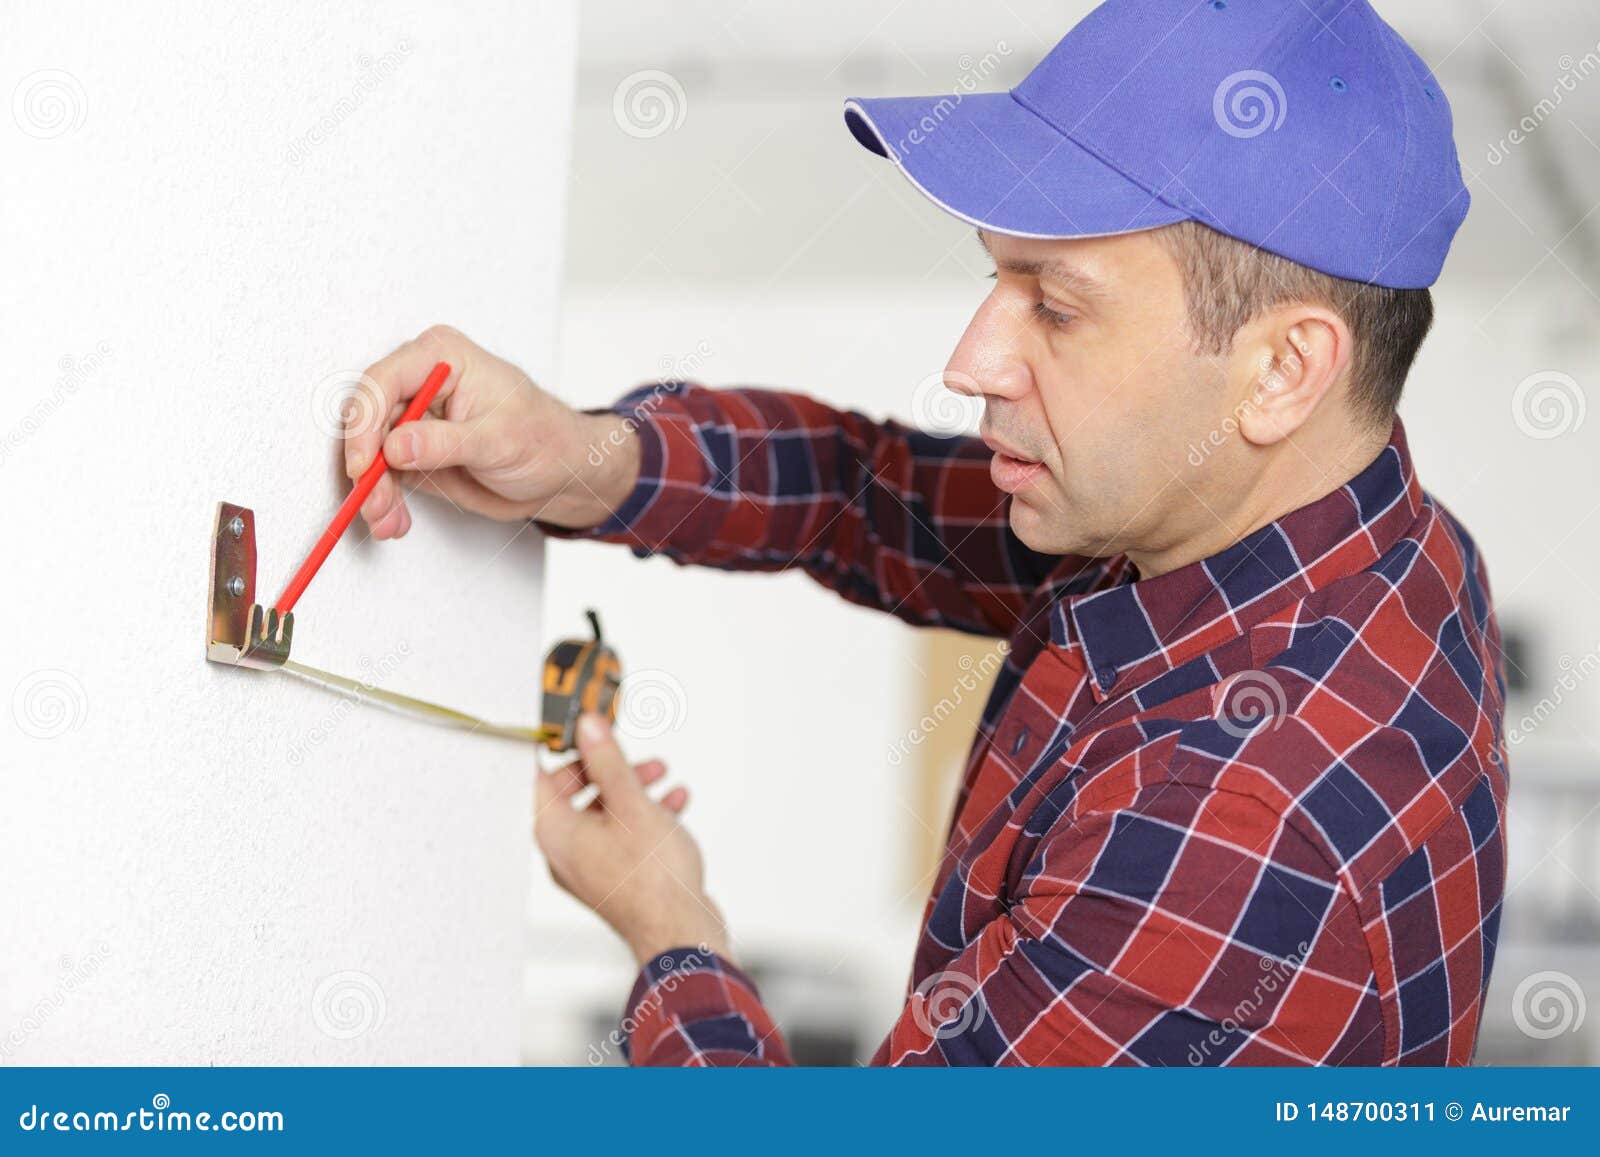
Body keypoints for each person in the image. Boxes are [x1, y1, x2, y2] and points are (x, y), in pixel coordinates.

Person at [342, 0, 1506, 1066]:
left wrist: (669, 930)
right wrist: (582, 458)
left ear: (1282, 371)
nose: (973, 359)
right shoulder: (1346, 536)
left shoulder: (1229, 837)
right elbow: (867, 496)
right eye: (997, 281)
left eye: (1054, 305)